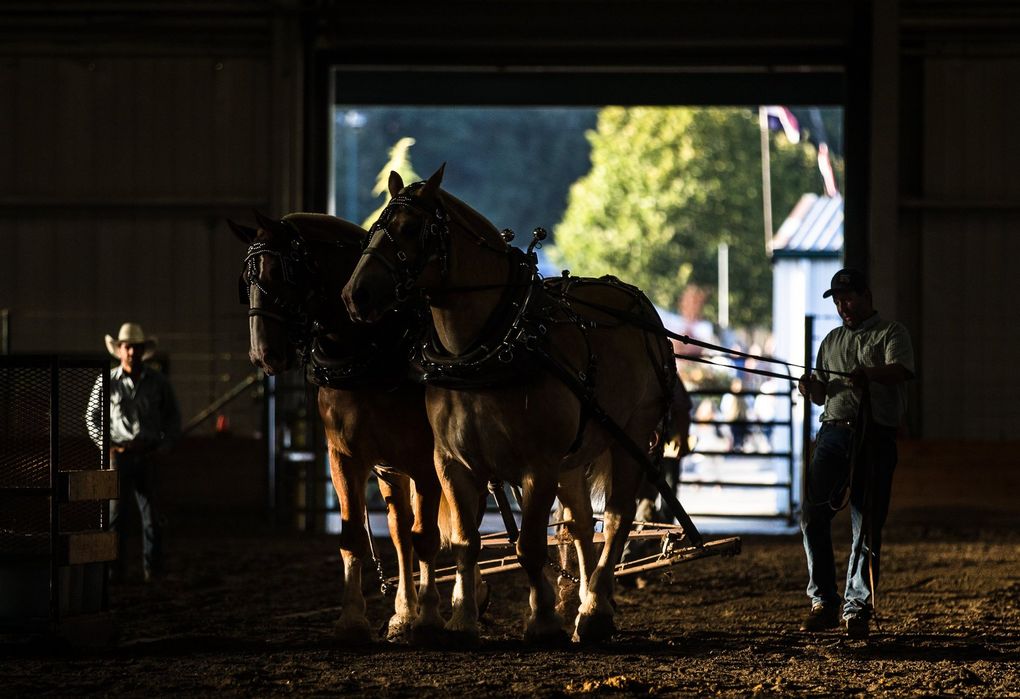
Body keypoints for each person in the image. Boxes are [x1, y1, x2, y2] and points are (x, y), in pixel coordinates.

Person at [796, 268, 914, 638]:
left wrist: (869, 375)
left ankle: (856, 607)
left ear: (866, 296)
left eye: (848, 299)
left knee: (866, 523)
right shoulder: (830, 341)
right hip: (833, 432)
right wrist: (810, 387)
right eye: (838, 301)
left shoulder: (892, 333)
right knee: (813, 515)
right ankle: (824, 601)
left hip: (874, 434)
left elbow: (901, 370)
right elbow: (821, 396)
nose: (843, 307)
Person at [88, 322, 182, 583]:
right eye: (127, 347)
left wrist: (164, 446)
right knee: (117, 517)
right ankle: (115, 571)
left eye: (135, 347)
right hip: (119, 454)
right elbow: (91, 418)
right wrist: (107, 447)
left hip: (148, 454)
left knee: (150, 516)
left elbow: (173, 419)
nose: (131, 352)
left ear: (142, 351)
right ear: (119, 350)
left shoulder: (158, 382)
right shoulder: (106, 381)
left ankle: (152, 570)